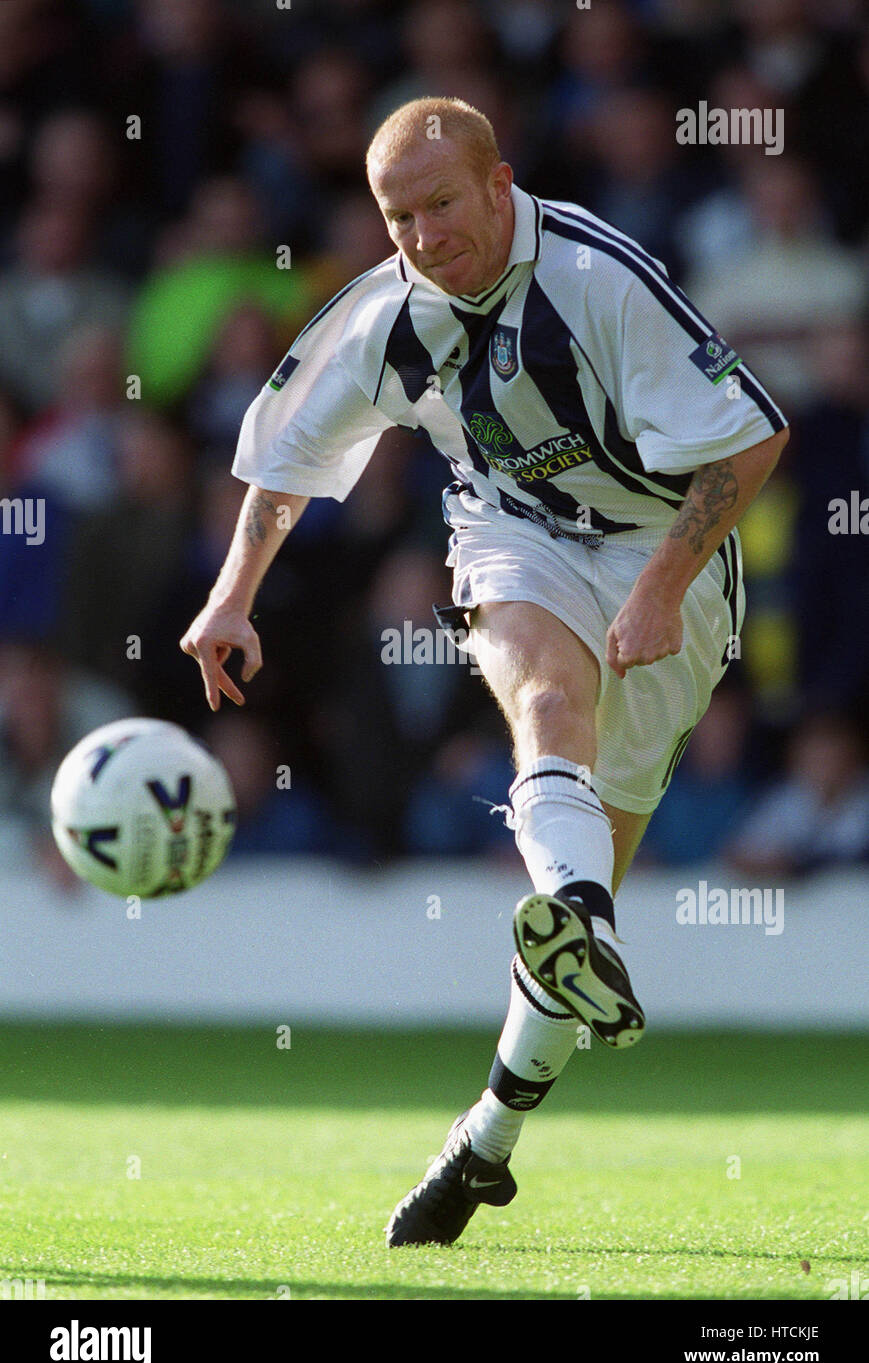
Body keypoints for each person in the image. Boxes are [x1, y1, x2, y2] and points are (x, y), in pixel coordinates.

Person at [180, 97, 789, 1247]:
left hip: (668, 557)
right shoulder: (384, 316)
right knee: (544, 704)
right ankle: (576, 912)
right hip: (513, 536)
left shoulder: (599, 279)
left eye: (441, 204)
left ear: (500, 183)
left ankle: (485, 1141)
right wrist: (230, 594)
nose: (420, 235)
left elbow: (751, 436)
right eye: (397, 215)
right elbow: (289, 460)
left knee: (586, 881)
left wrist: (660, 588)